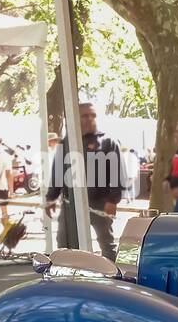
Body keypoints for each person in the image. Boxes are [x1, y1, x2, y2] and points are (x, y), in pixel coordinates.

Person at [46, 102, 126, 261]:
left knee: (106, 244)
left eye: (93, 115)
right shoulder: (67, 142)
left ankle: (112, 279)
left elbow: (119, 173)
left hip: (100, 203)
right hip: (71, 204)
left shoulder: (108, 142)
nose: (90, 119)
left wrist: (113, 200)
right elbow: (57, 171)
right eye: (85, 115)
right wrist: (50, 197)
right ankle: (67, 276)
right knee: (64, 242)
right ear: (76, 118)